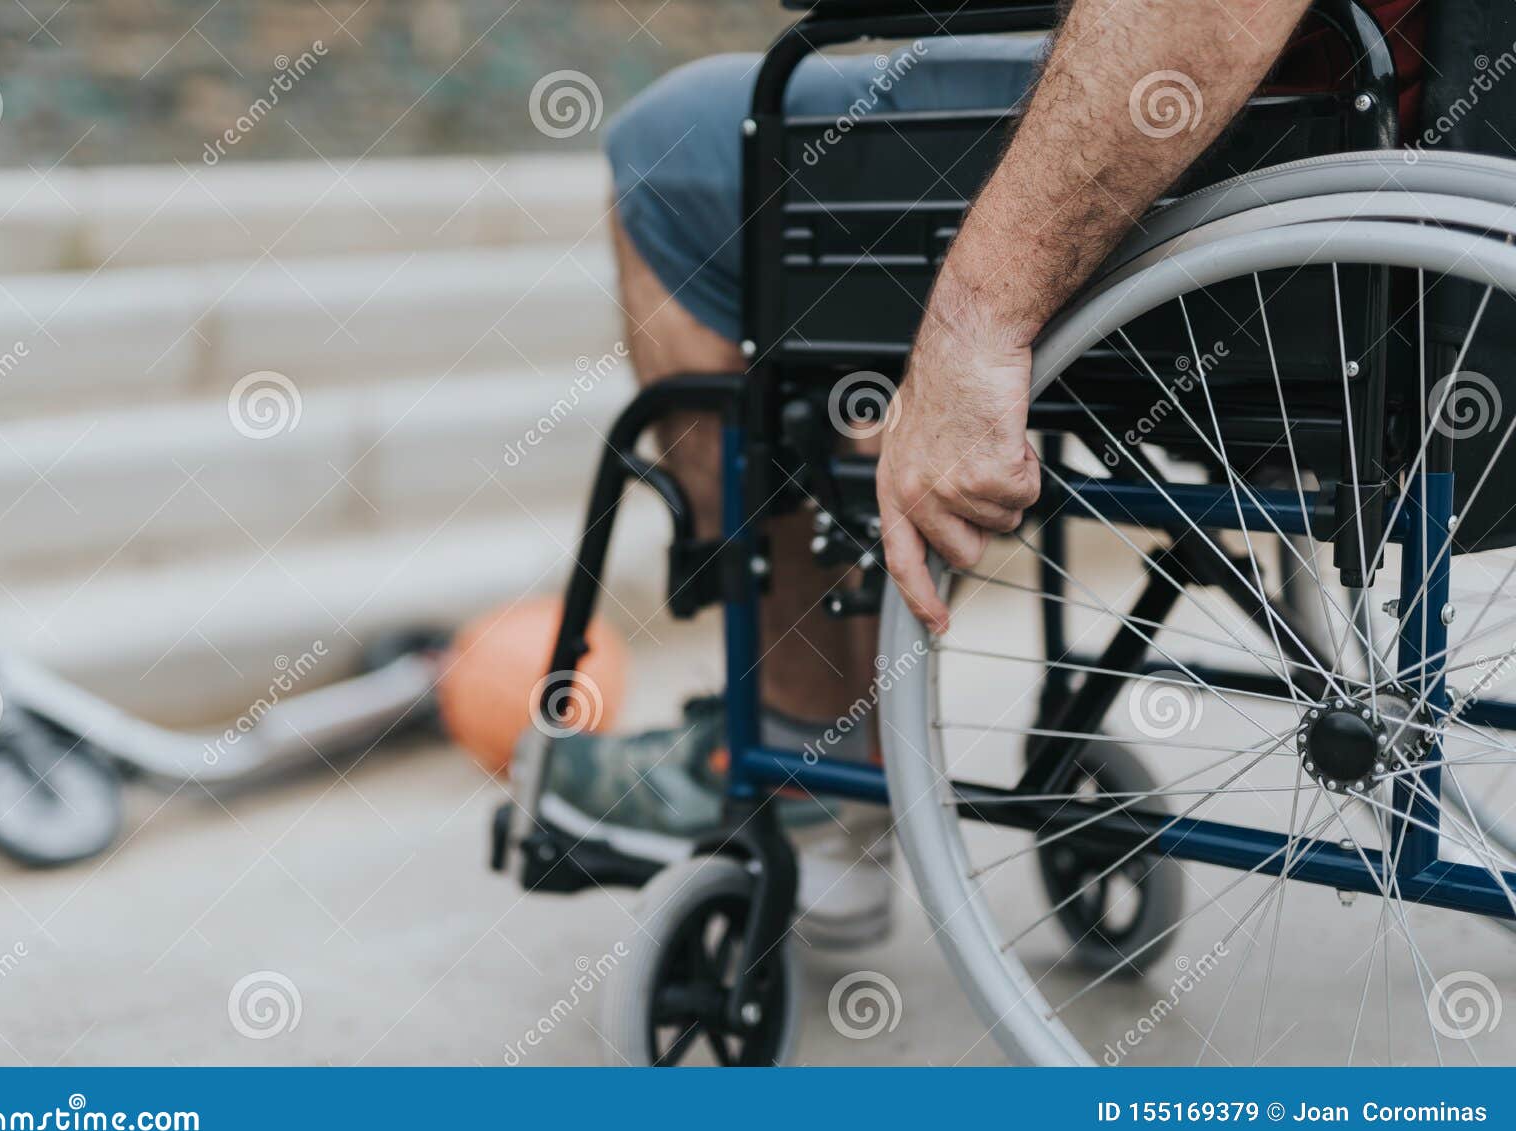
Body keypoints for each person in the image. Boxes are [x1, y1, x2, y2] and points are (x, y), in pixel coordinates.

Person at [525, 0, 1427, 948]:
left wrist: (974, 323)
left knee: (673, 143)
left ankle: (806, 752)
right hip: (1401, 172)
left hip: (1272, 122)